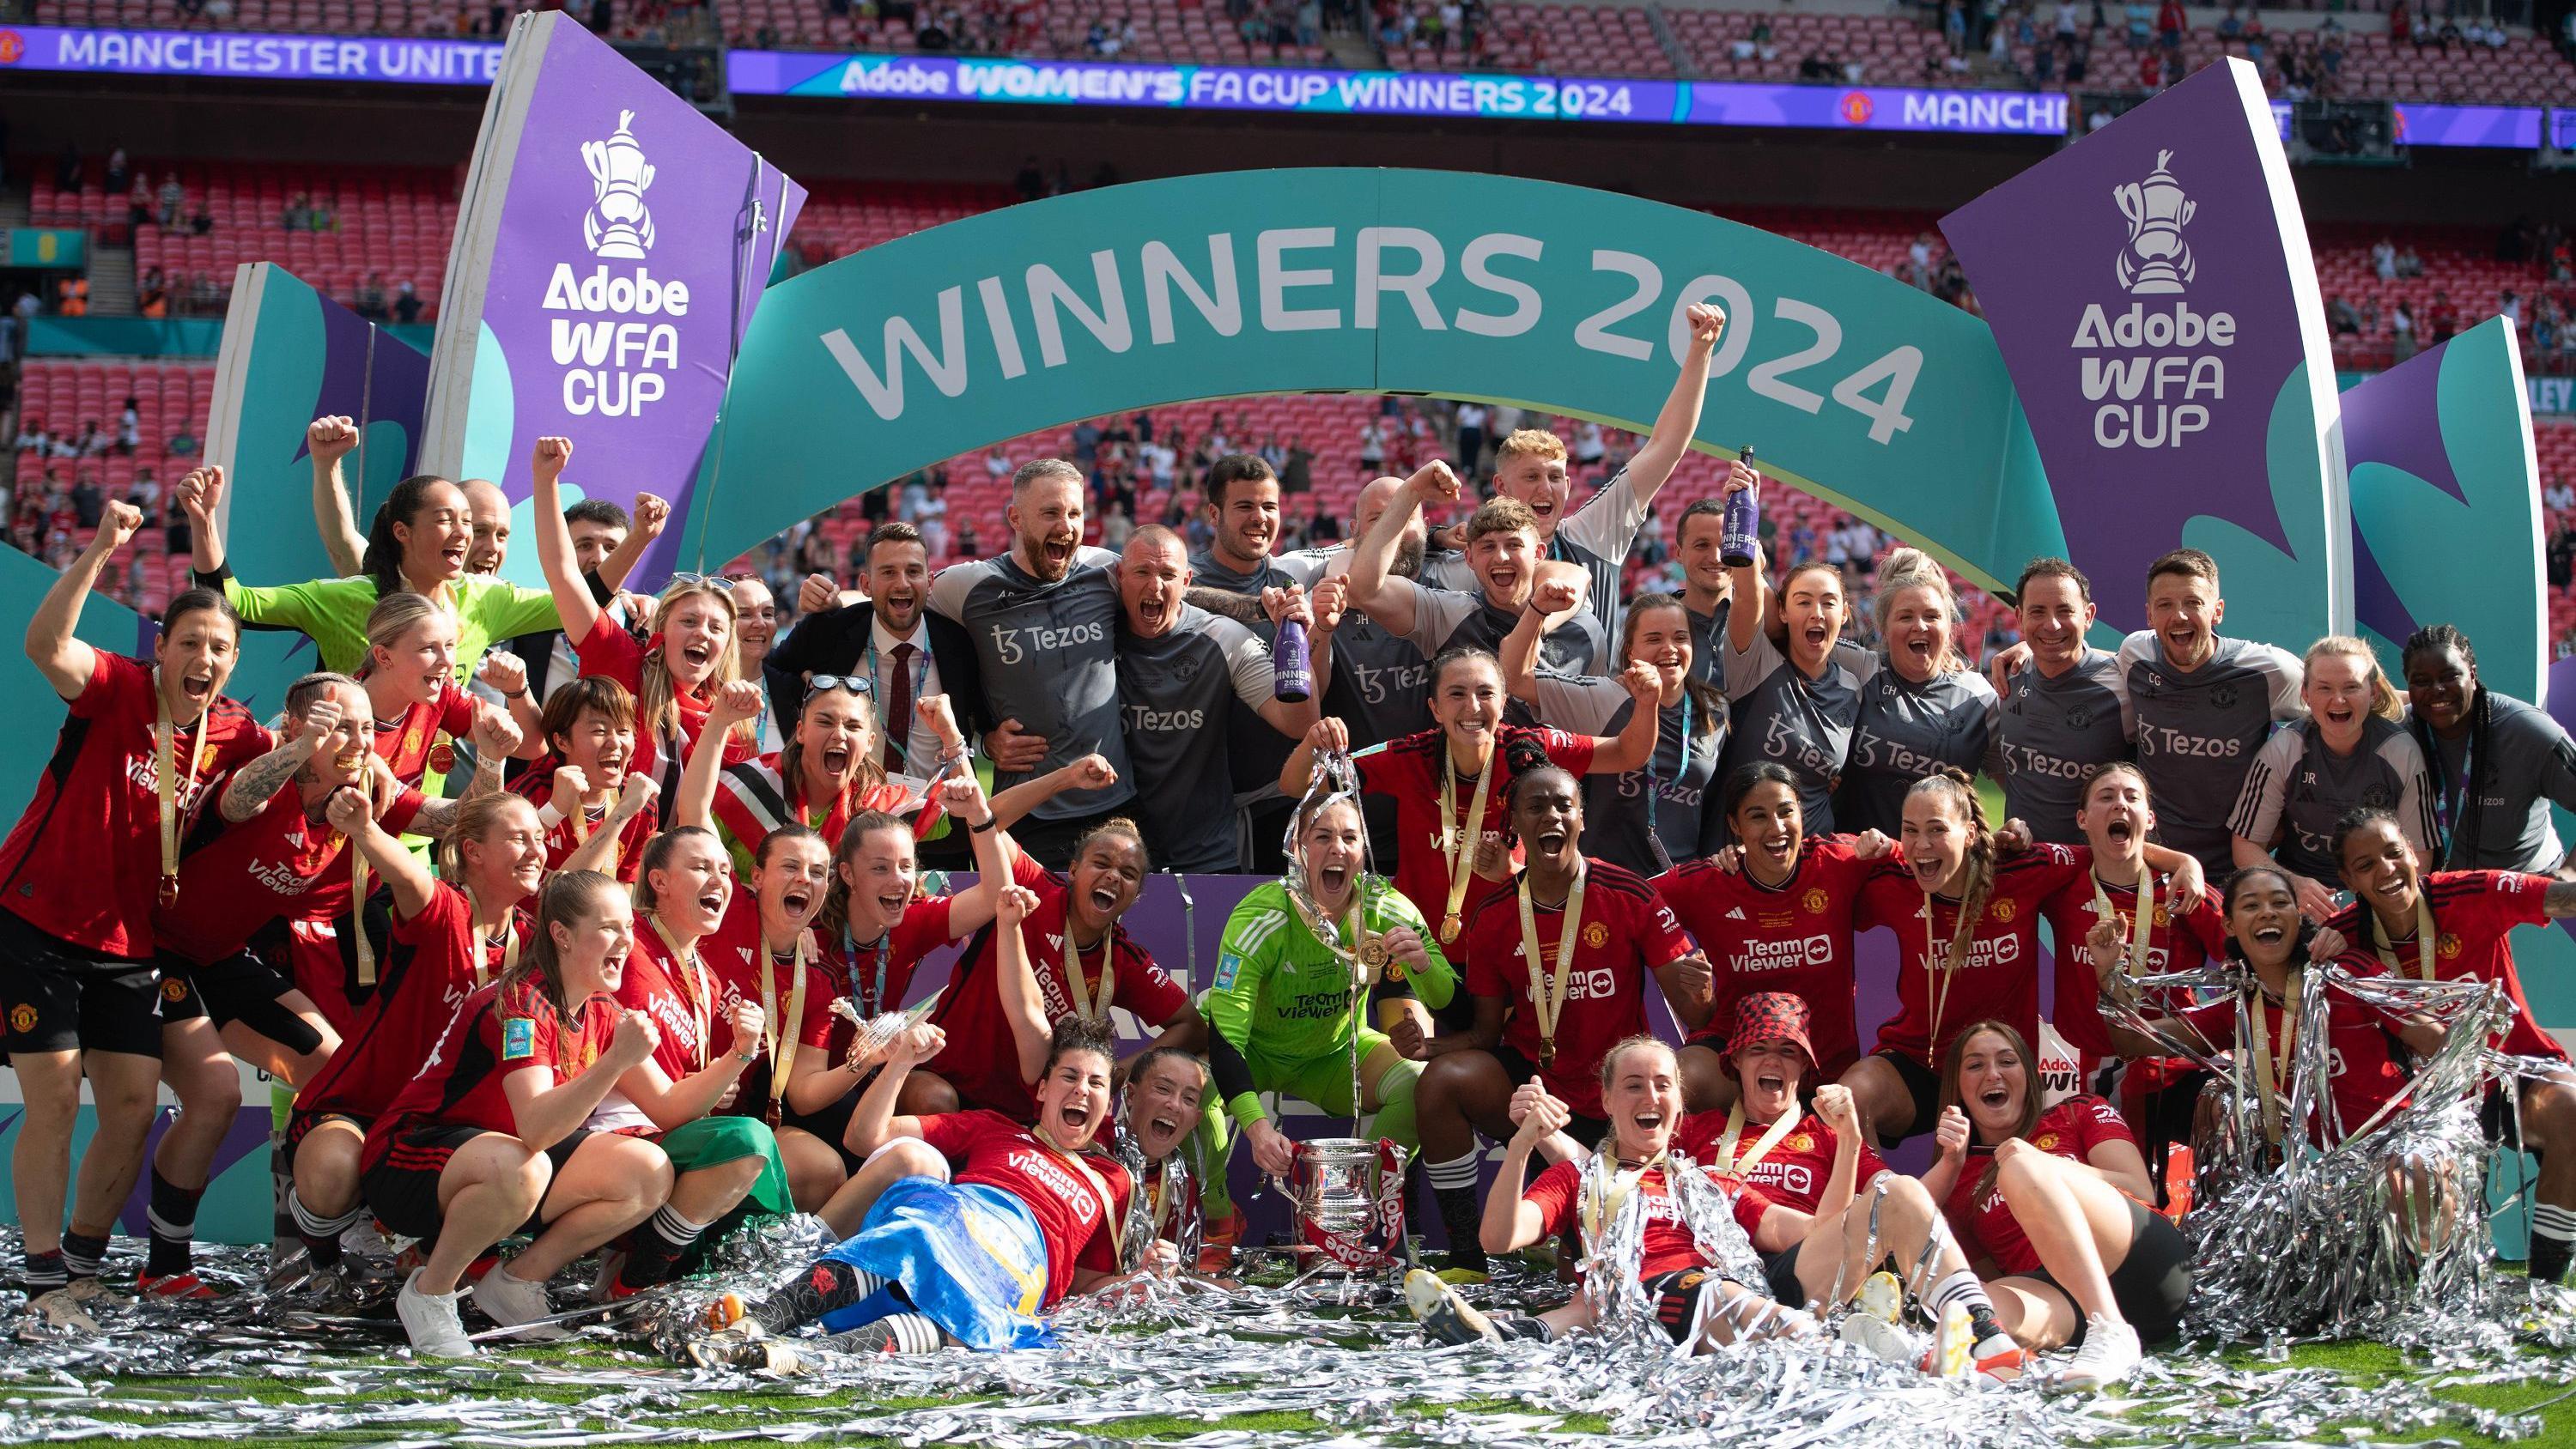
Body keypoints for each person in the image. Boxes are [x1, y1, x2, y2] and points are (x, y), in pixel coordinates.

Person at [3, 505, 269, 1329]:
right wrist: (99, 550)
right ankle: (42, 1281)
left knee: (131, 1107)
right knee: (53, 1101)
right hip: (37, 925)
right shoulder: (117, 686)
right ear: (163, 649)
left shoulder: (236, 735)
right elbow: (44, 645)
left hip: (129, 946)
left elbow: (289, 783)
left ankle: (84, 1264)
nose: (204, 658)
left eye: (219, 648)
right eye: (189, 643)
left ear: (233, 661)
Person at [289, 788, 623, 1294]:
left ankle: (428, 1255)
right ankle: (322, 1260)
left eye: (540, 838)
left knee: (510, 1165)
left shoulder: (534, 940)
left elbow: (573, 898)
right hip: (364, 1107)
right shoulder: (443, 910)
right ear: (473, 851)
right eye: (518, 838)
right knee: (335, 1169)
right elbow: (408, 876)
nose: (536, 850)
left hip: (442, 1124)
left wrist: (620, 815)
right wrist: (364, 829)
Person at [685, 1015, 1162, 1363]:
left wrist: (1142, 1277)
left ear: (1108, 1103)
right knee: (916, 1231)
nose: (1081, 1090)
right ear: (1042, 1090)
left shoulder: (1113, 1182)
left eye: (1096, 1083)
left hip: (1021, 1265)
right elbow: (866, 1138)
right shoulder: (994, 1127)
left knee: (972, 1322)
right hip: (959, 1218)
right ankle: (758, 1322)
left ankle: (806, 1357)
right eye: (1069, 1077)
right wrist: (901, 1063)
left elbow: (1083, 1285)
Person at [359, 870, 677, 1357]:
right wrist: (615, 1061)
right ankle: (429, 1293)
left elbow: (671, 1105)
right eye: (609, 927)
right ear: (562, 934)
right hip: (407, 1156)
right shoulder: (519, 1003)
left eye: (629, 927)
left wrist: (739, 1055)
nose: (625, 941)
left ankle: (515, 1285)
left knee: (647, 1171)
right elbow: (537, 1128)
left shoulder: (600, 1006)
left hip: (501, 1158)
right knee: (524, 1167)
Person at [1416, 766, 1712, 1273]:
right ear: (1514, 824)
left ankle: (1695, 1224)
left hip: (1618, 1102)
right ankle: (1466, 1255)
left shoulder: (1629, 894)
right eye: (1536, 807)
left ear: (1581, 818)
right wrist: (1429, 1048)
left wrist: (1702, 995)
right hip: (1537, 1097)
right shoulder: (1494, 915)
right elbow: (1485, 1034)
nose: (1552, 816)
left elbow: (1695, 1019)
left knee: (1581, 1268)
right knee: (1442, 1081)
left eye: (1564, 806)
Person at [1667, 994, 2033, 1377]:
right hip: (1713, 1281)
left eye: (1788, 1051)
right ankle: (1887, 1342)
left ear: (1805, 1065)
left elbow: (1907, 1209)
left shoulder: (1830, 1133)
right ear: (1736, 1061)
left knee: (1899, 1191)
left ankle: (1988, 1338)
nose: (1773, 1061)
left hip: (1802, 1273)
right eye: (1758, 1049)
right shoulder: (1691, 1130)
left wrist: (1950, 1162)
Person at [1411, 1037, 1822, 1353]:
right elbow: (1497, 1239)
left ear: (1680, 1102)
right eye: (1634, 1086)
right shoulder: (1578, 1177)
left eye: (1663, 1085)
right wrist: (1521, 1144)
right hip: (1669, 1297)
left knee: (1780, 1310)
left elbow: (1809, 1232)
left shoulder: (1708, 1181)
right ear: (1607, 1100)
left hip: (1702, 1296)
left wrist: (1850, 1141)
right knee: (1780, 1325)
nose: (1651, 1097)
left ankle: (1509, 1333)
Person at [1280, 647, 1656, 970]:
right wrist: (1312, 743)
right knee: (1410, 1035)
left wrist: (1647, 703)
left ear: (1503, 703)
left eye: (1485, 693)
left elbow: (1628, 753)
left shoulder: (1530, 750)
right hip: (1418, 948)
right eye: (1457, 694)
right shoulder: (1410, 755)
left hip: (1509, 948)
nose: (1472, 707)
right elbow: (1297, 786)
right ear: (1435, 708)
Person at [2321, 808, 2576, 1283]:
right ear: (2348, 879)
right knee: (2418, 1184)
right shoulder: (2343, 935)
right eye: (2366, 865)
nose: (2386, 870)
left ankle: (2546, 1282)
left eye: (2394, 853)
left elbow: (2565, 898)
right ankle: (2433, 1287)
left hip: (2512, 1070)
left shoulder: (2470, 892)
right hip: (2429, 1102)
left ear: (2413, 853)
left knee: (2572, 1111)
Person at [1420, 303, 1728, 641]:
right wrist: (1434, 537)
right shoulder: (1476, 559)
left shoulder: (1592, 533)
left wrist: (1700, 349)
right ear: (1501, 487)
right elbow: (1388, 569)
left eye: (1554, 478)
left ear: (1568, 485)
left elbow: (1666, 446)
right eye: (1531, 477)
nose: (1545, 489)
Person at [1919, 1021, 2193, 1389]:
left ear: (2031, 1077)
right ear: (1958, 1088)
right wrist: (1950, 1163)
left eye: (2007, 1061)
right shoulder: (1957, 1180)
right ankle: (1968, 1353)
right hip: (2063, 1302)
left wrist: (2045, 1165)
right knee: (1969, 1306)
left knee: (2018, 1166)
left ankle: (2111, 1329)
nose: (1993, 1074)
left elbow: (2139, 1189)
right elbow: (1984, 1270)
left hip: (2141, 1263)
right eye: (1975, 1065)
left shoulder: (2078, 1111)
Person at [2099, 863, 2434, 1153]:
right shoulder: (2238, 1012)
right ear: (2229, 926)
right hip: (2334, 1174)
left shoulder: (2346, 973)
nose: (2267, 912)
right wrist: (2108, 970)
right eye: (2251, 905)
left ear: (2298, 915)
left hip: (2404, 1148)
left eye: (2280, 902)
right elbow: (2130, 1040)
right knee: (2225, 1104)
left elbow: (2439, 1042)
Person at [1211, 791, 1456, 1177]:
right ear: (1299, 849)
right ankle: (1217, 1209)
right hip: (1255, 1053)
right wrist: (1257, 1128)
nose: (1338, 848)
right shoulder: (1261, 917)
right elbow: (1227, 1041)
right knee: (1184, 1091)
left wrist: (1423, 966)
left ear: (1363, 850)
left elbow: (1449, 1000)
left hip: (1335, 1055)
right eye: (1322, 836)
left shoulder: (1386, 907)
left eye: (1350, 838)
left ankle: (1360, 1203)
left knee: (1421, 1084)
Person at [1841, 771, 2093, 1146]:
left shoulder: (2020, 870)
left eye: (1937, 829)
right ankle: (1880, 1185)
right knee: (1848, 1099)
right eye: (1910, 830)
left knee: (2001, 1172)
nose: (1922, 844)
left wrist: (2179, 861)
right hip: (1921, 1062)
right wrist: (1874, 847)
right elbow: (1813, 872)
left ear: (1970, 833)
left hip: (1997, 1067)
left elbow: (2106, 854)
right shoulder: (1894, 882)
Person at [596, 826, 793, 1298]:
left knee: (767, 1157)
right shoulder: (627, 939)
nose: (719, 880)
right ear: (659, 881)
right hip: (608, 1128)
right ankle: (638, 1278)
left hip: (668, 1124)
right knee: (749, 1142)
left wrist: (714, 1079)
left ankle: (734, 1277)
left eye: (725, 870)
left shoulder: (706, 978)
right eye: (702, 867)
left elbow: (679, 1077)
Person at [927, 459, 1133, 868]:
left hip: (1115, 801)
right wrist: (985, 740)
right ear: (1016, 518)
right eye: (1051, 513)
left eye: (1075, 513)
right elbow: (892, 602)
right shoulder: (968, 586)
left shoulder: (1106, 571)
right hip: (1030, 812)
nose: (1066, 525)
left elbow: (1181, 597)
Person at [179, 461, 558, 682]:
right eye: (446, 520)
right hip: (339, 792)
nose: (463, 534)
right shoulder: (346, 597)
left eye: (467, 521)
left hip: (424, 799)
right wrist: (203, 521)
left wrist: (548, 483)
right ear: (402, 532)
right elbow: (230, 603)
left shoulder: (485, 598)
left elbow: (579, 606)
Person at [531, 438, 755, 802]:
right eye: (689, 621)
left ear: (728, 645)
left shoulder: (732, 716)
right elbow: (563, 574)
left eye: (716, 628)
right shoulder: (619, 660)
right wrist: (545, 480)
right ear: (659, 629)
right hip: (580, 830)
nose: (702, 633)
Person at [1657, 763, 1889, 1113]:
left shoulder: (1839, 861)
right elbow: (1628, 901)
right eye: (1758, 816)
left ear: (1802, 812)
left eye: (1785, 811)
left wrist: (1885, 844)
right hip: (1731, 1057)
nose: (1776, 828)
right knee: (1679, 1080)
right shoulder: (1712, 879)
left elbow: (1924, 857)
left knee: (1857, 1099)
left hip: (1825, 1066)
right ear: (1735, 825)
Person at [1114, 525, 1332, 871]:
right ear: (1119, 576)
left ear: (1187, 581)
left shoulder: (1224, 638)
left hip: (1207, 851)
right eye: (1142, 572)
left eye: (1168, 575)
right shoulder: (1098, 634)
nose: (1155, 586)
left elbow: (1299, 723)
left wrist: (1297, 644)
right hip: (1119, 852)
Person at [1505, 589, 1728, 876]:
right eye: (1654, 639)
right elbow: (1513, 679)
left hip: (1680, 880)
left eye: (1680, 638)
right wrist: (1537, 610)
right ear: (1630, 651)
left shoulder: (1715, 710)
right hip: (1606, 881)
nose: (1669, 648)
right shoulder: (1606, 697)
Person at [2041, 764, 2227, 1105]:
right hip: (2092, 1070)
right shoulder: (2061, 884)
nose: (2120, 804)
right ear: (2082, 819)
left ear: (2150, 819)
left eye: (2132, 797)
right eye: (2106, 797)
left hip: (2175, 1066)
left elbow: (2247, 948)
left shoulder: (2184, 889)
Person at [2113, 549, 2304, 875]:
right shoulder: (2136, 654)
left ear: (2218, 611)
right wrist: (2029, 651)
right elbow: (2085, 663)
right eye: (2165, 605)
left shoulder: (2268, 672)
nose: (2179, 616)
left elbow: (2339, 698)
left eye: (2193, 603)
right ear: (2149, 615)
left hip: (2234, 871)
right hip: (2150, 864)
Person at [2227, 635, 2434, 921]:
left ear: (2373, 692)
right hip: (2301, 904)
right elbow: (2245, 846)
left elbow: (2420, 854)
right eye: (2324, 688)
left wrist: (2384, 911)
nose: (2338, 700)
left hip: (2380, 901)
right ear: (2305, 693)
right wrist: (2292, 884)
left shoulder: (2401, 752)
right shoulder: (2285, 750)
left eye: (2351, 687)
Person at [769, 521, 987, 789]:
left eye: (913, 571)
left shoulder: (959, 643)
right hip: (849, 808)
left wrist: (993, 740)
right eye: (888, 572)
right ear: (866, 584)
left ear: (930, 582)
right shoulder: (830, 631)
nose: (902, 583)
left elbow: (985, 712)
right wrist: (805, 698)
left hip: (938, 807)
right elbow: (769, 673)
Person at [1716, 477, 1874, 834]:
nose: (1816, 613)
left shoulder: (1856, 686)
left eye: (1828, 603)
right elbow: (1747, 592)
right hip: (1737, 854)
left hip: (1814, 859)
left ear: (1845, 614)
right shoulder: (1756, 663)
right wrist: (1744, 511)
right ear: (1783, 612)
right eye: (1803, 602)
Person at [1349, 465, 1606, 682]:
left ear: (1539, 553)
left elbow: (1595, 717)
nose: (1501, 557)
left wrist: (1540, 619)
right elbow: (1365, 590)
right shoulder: (1447, 614)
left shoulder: (1585, 629)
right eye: (1488, 547)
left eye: (1514, 545)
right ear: (1469, 558)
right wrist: (1412, 490)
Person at [680, 679, 923, 877]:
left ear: (870, 742)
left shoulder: (882, 807)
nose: (839, 734)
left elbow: (947, 818)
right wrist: (720, 720)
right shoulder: (749, 786)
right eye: (825, 722)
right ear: (800, 731)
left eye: (853, 726)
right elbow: (692, 828)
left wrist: (945, 734)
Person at [1835, 550, 1999, 837]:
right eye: (1905, 616)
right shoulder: (1859, 668)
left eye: (1932, 616)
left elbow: (2026, 784)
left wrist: (2031, 656)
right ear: (1883, 627)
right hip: (1857, 858)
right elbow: (1785, 629)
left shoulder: (1979, 698)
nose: (1920, 626)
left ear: (1949, 627)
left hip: (1934, 863)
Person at [2400, 623, 2576, 872]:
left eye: (2450, 676)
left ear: (2472, 676)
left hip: (2528, 882)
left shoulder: (2527, 731)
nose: (2437, 689)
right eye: (2421, 681)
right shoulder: (2400, 734)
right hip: (2444, 889)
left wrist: (2568, 877)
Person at [1988, 558, 2133, 847]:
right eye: (2037, 612)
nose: (2052, 625)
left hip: (2098, 870)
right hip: (2024, 867)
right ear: (2019, 617)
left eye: (2065, 611)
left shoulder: (2125, 687)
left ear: (2088, 616)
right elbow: (2005, 771)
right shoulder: (2008, 679)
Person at [513, 677, 660, 882]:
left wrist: (625, 810)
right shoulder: (528, 794)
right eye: (599, 731)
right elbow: (495, 861)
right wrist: (555, 809)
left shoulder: (641, 805)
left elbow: (624, 886)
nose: (615, 743)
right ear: (562, 741)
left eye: (623, 731)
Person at [1669, 498, 1733, 688]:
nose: (1716, 557)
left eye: (1726, 545)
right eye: (1702, 545)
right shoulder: (1654, 624)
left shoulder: (1764, 620)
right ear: (1679, 553)